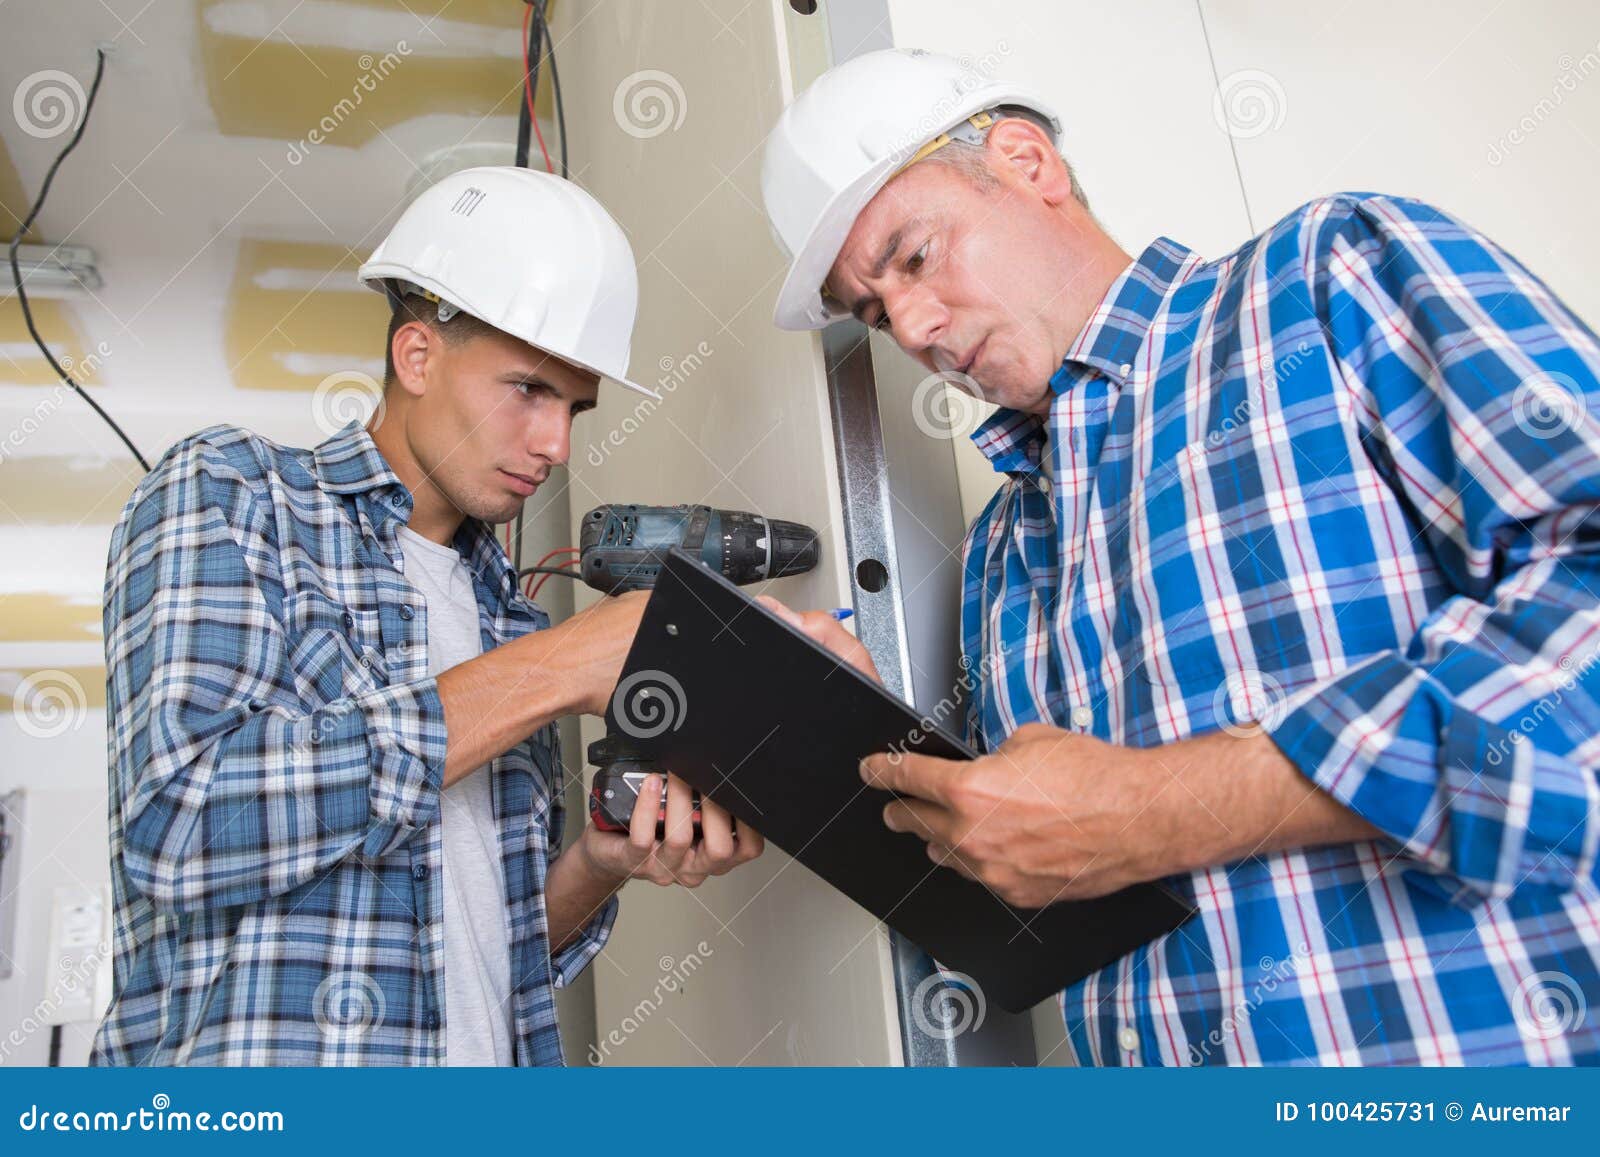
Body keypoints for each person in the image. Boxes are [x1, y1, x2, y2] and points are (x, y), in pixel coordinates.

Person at [761, 48, 1600, 1066]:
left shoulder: (1326, 278)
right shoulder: (997, 558)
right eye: (876, 313)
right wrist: (837, 750)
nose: (916, 329)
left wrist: (1160, 809)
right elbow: (1057, 866)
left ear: (1028, 163)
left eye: (915, 257)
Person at [92, 167, 768, 1066]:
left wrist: (597, 865)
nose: (555, 444)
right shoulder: (234, 494)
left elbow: (493, 966)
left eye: (574, 407)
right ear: (417, 356)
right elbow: (178, 823)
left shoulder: (508, 623)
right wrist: (562, 667)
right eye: (528, 389)